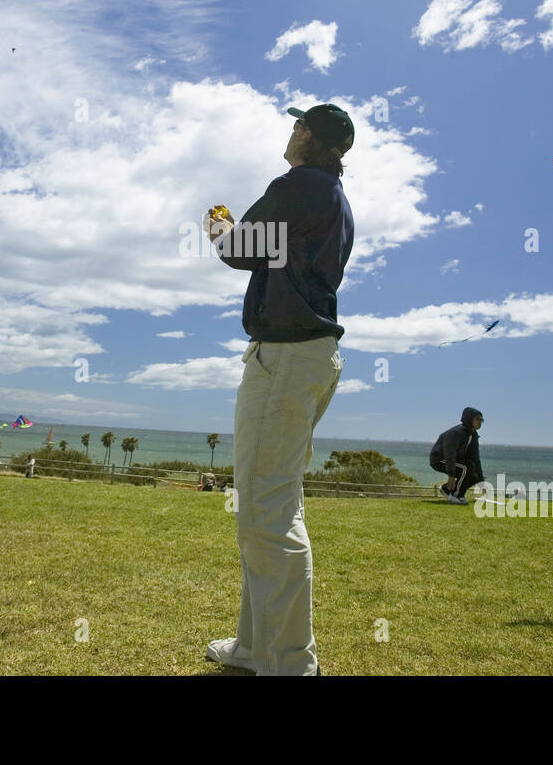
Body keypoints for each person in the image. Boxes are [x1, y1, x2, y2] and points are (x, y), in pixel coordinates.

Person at [203, 102, 355, 677]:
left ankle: (289, 665)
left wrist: (218, 224)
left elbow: (240, 249)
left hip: (286, 359)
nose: (291, 132)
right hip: (307, 358)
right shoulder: (334, 200)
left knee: (267, 513)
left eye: (299, 125)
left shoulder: (301, 184)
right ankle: (253, 647)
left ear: (314, 138)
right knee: (269, 506)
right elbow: (270, 252)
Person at [429, 408, 484, 504]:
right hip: (439, 458)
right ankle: (456, 496)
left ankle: (446, 489)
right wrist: (451, 475)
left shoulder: (473, 436)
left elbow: (475, 458)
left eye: (481, 420)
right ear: (469, 419)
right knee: (466, 468)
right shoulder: (456, 433)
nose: (480, 422)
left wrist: (481, 481)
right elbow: (449, 454)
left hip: (453, 459)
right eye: (477, 419)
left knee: (474, 475)